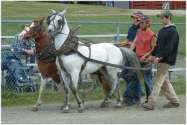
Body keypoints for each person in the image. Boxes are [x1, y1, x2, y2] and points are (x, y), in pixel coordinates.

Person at [142, 10, 180, 110]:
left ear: (168, 18)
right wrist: (152, 56)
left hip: (166, 60)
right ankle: (174, 100)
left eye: (162, 18)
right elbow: (157, 46)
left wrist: (159, 57)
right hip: (160, 59)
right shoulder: (162, 30)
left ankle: (151, 103)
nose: (161, 20)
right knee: (164, 81)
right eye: (160, 18)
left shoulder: (173, 31)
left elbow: (169, 48)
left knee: (158, 81)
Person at [119, 11, 144, 106]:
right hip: (129, 54)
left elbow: (138, 42)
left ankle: (129, 97)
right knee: (129, 76)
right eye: (133, 18)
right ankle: (137, 95)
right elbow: (128, 40)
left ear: (140, 19)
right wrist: (117, 44)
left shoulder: (141, 29)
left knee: (134, 76)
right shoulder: (131, 28)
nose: (134, 20)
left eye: (136, 18)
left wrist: (129, 43)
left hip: (137, 55)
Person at [130, 15, 156, 103]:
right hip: (137, 59)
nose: (140, 24)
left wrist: (145, 56)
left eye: (142, 23)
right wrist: (130, 52)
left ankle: (150, 100)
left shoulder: (152, 35)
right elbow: (134, 43)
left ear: (147, 24)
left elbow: (153, 49)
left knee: (147, 81)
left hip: (146, 61)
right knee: (134, 78)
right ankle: (134, 98)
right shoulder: (138, 31)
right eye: (140, 23)